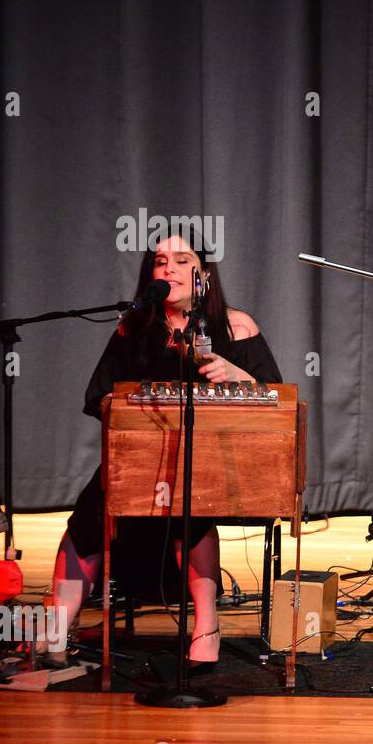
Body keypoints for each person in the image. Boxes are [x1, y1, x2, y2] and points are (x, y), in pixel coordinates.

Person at [48, 233, 282, 668]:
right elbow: (100, 397)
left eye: (180, 260)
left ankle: (207, 627)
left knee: (191, 511)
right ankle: (57, 628)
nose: (168, 269)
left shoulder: (237, 326)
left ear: (203, 275)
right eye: (159, 261)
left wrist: (236, 373)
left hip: (216, 465)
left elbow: (276, 402)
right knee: (89, 513)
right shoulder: (133, 328)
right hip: (140, 460)